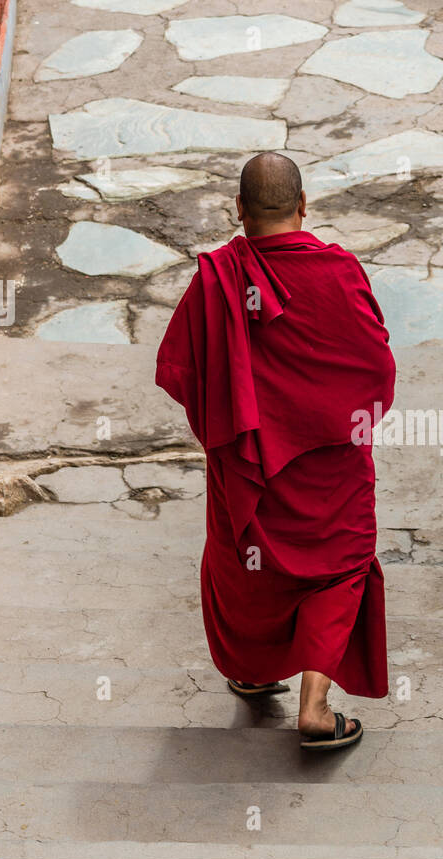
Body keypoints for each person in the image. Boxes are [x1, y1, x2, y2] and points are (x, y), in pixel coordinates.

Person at [155, 152, 395, 751]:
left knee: (251, 564)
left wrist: (234, 432)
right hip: (330, 463)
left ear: (239, 211)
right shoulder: (339, 270)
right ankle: (315, 708)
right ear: (304, 205)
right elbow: (376, 364)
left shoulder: (217, 277)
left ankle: (255, 670)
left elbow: (183, 371)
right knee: (336, 567)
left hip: (249, 460)